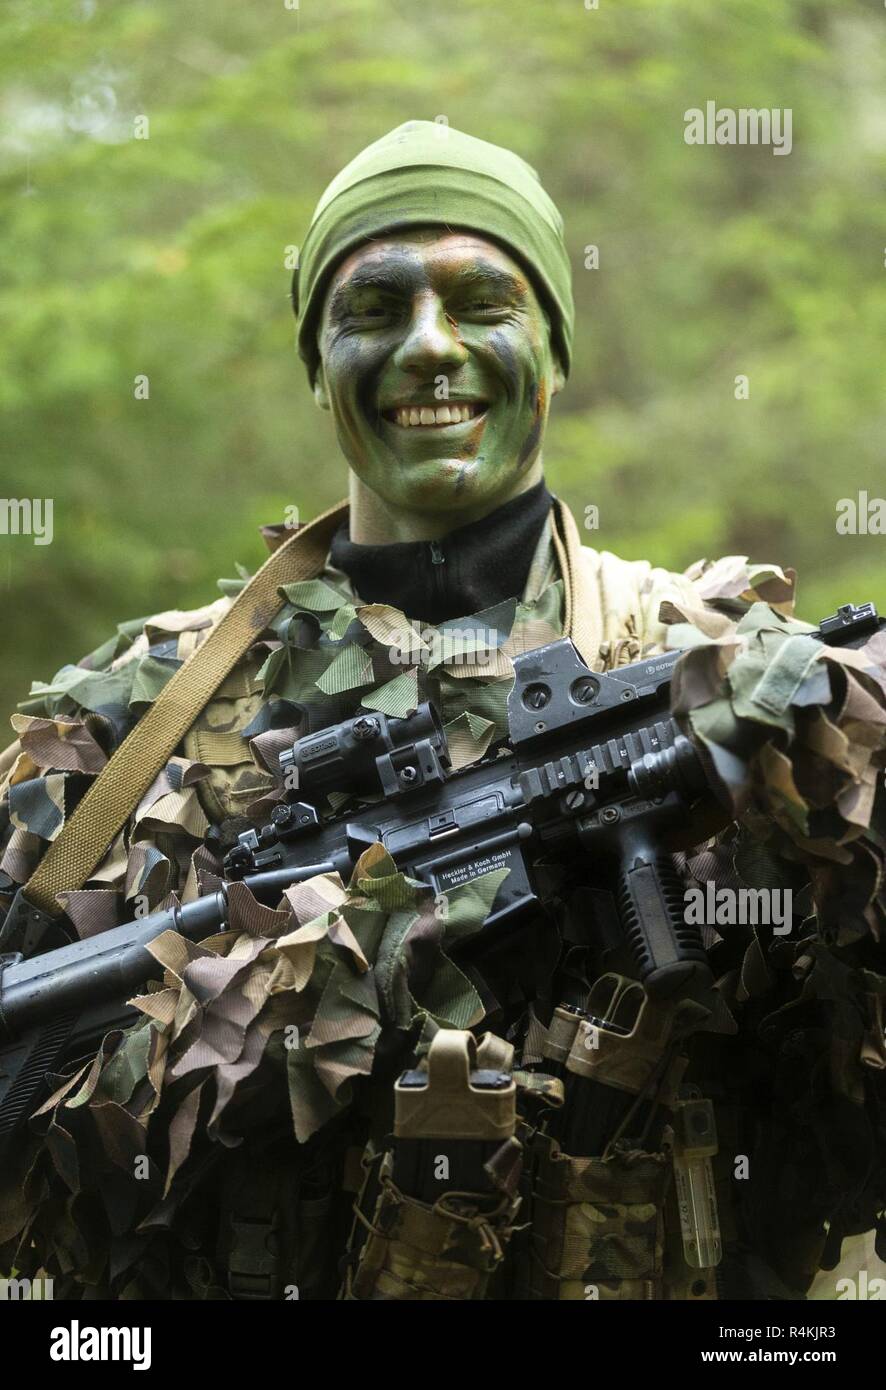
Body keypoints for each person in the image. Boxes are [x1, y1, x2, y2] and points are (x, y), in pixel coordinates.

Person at [0, 122, 884, 1301]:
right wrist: (310, 972)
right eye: (374, 308)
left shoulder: (709, 661)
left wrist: (823, 750)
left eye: (483, 301)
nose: (431, 347)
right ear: (317, 362)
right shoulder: (125, 725)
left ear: (554, 351)